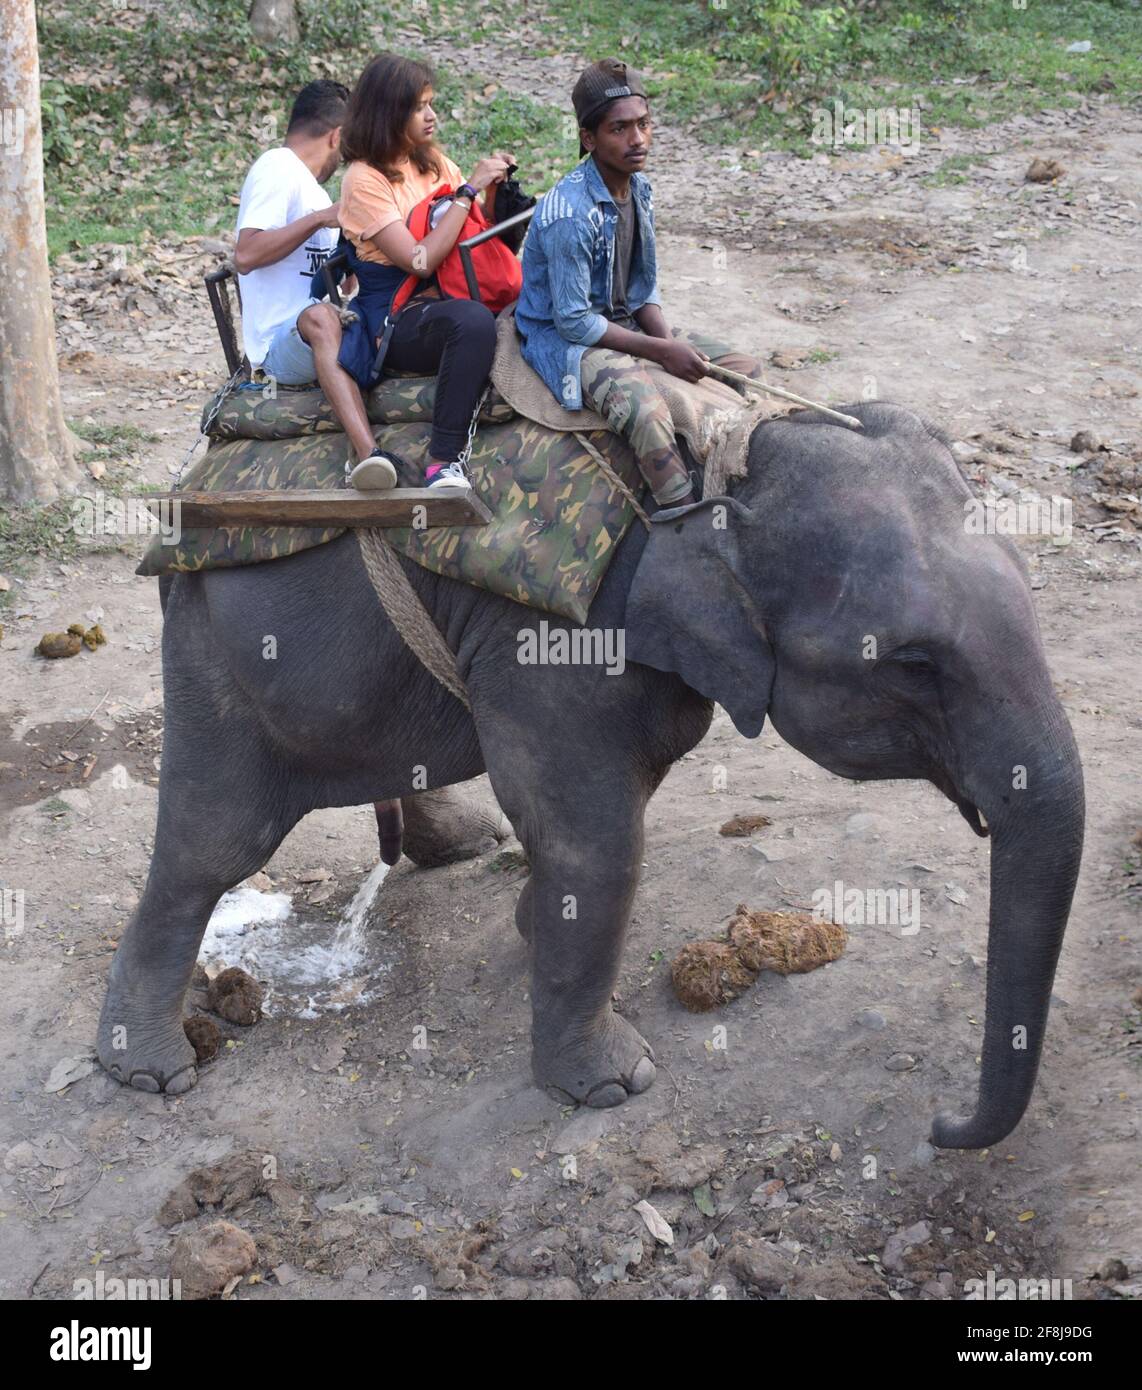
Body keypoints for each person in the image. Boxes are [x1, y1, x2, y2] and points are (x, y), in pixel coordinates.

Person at [516, 59, 765, 508]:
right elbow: (572, 321)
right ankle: (680, 508)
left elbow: (641, 288)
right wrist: (661, 351)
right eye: (620, 129)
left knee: (740, 367)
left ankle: (723, 469)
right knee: (644, 410)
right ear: (588, 138)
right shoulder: (570, 214)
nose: (637, 139)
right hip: (567, 338)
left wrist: (668, 343)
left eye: (644, 124)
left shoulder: (639, 188)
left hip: (620, 319)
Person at [336, 53, 513, 491]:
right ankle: (443, 462)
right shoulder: (363, 180)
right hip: (398, 317)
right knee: (471, 323)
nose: (431, 115)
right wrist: (467, 192)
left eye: (431, 103)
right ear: (388, 113)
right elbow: (419, 260)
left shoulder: (430, 160)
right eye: (418, 107)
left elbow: (468, 230)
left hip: (450, 291)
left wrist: (495, 196)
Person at [234, 80, 397, 489]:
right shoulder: (278, 167)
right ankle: (368, 455)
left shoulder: (312, 189)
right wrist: (321, 219)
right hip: (278, 347)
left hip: (318, 326)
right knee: (321, 317)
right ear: (337, 136)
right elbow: (246, 255)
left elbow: (332, 281)